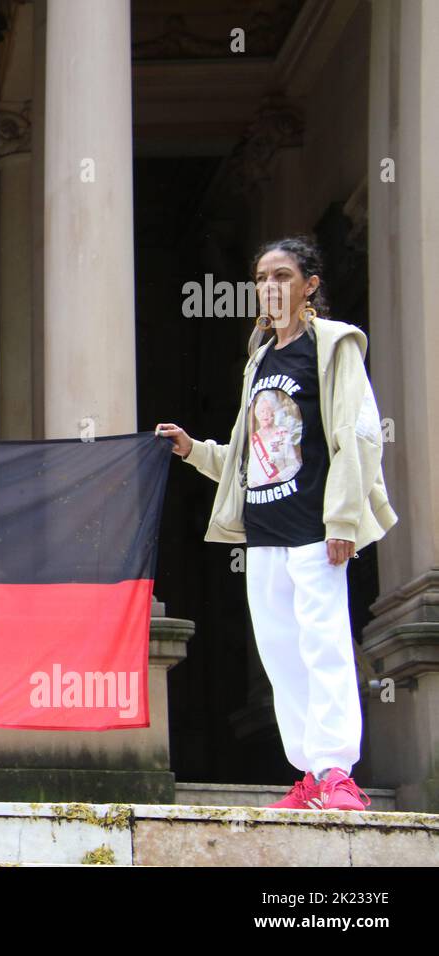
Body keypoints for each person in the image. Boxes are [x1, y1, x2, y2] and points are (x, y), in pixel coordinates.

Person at [157, 236, 396, 811]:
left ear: (309, 284)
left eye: (283, 276)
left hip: (315, 528)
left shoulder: (334, 345)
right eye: (263, 277)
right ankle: (311, 777)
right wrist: (194, 450)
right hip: (264, 534)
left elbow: (357, 436)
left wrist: (341, 520)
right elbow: (250, 452)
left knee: (324, 646)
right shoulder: (260, 356)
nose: (270, 287)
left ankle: (339, 773)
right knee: (281, 655)